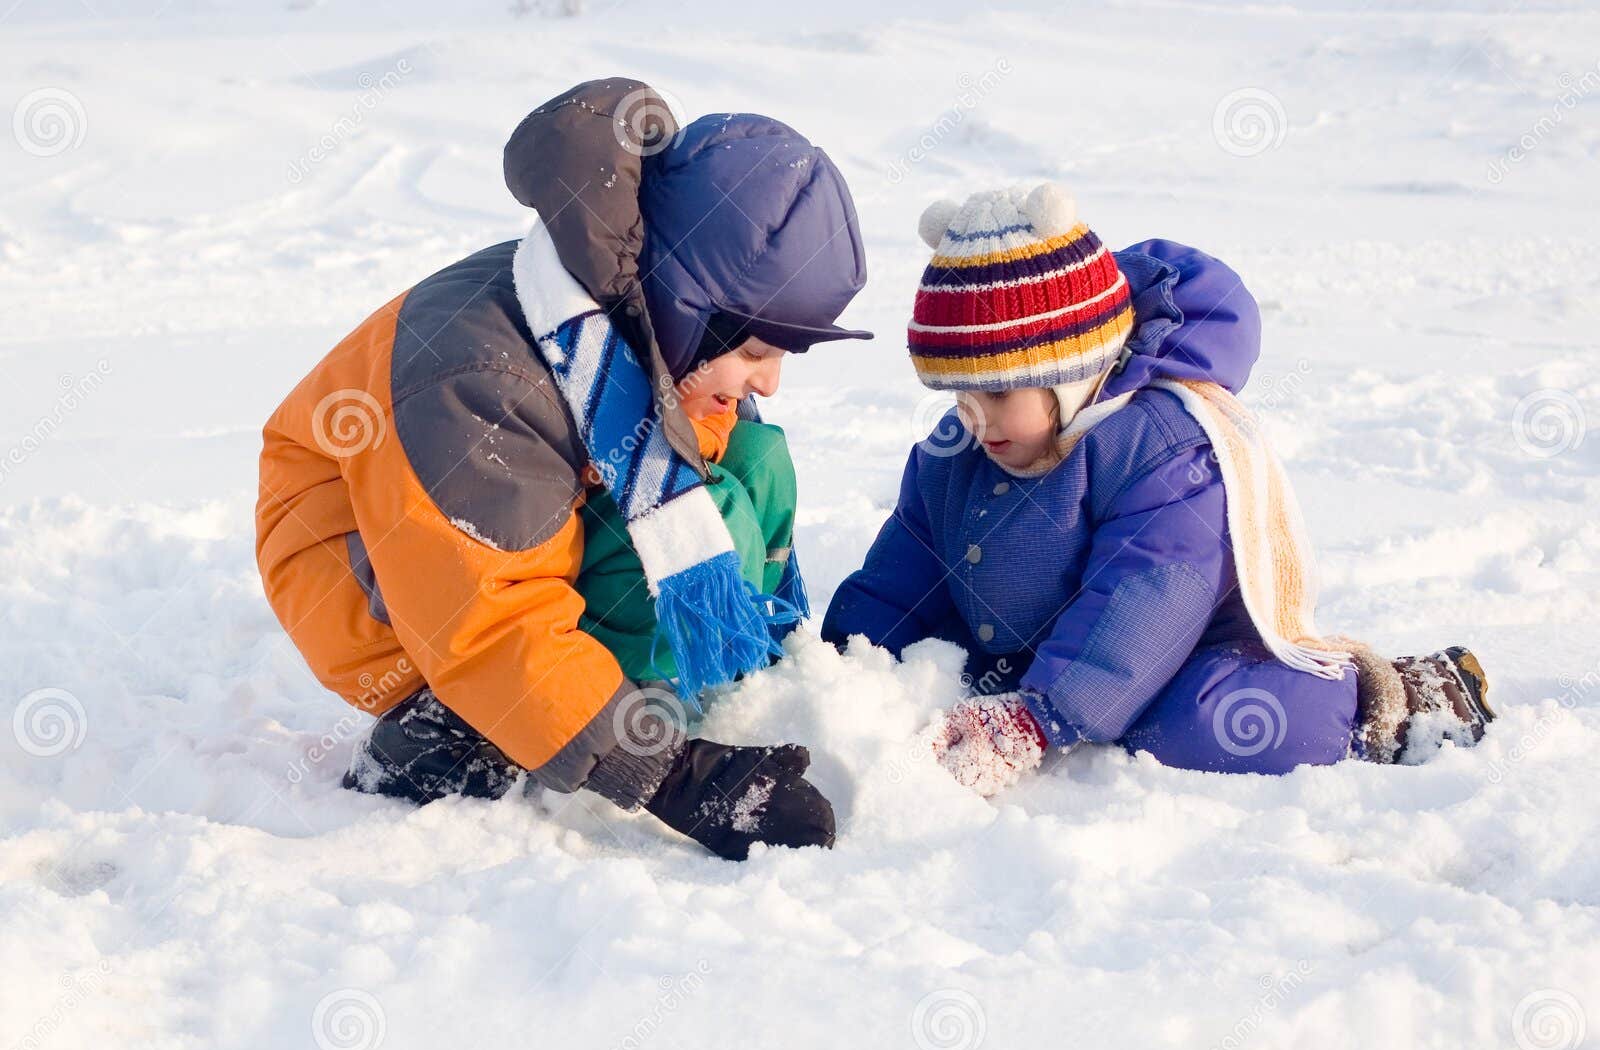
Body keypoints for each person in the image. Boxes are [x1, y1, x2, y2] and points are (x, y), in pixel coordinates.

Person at [256, 78, 872, 859]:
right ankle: (455, 725)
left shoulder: (631, 314)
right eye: (756, 349)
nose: (772, 378)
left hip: (503, 533)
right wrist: (679, 775)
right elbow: (490, 617)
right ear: (689, 304)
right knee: (549, 643)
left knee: (752, 459)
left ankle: (649, 681)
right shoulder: (480, 381)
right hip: (378, 580)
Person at [822, 183, 1494, 796]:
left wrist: (1043, 715)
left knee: (1192, 725)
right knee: (937, 669)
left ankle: (1393, 698)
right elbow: (905, 568)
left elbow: (1147, 594)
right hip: (1035, 649)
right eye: (958, 392)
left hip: (1182, 651)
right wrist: (843, 668)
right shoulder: (962, 446)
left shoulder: (1160, 447)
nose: (975, 417)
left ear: (1069, 374)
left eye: (997, 392)